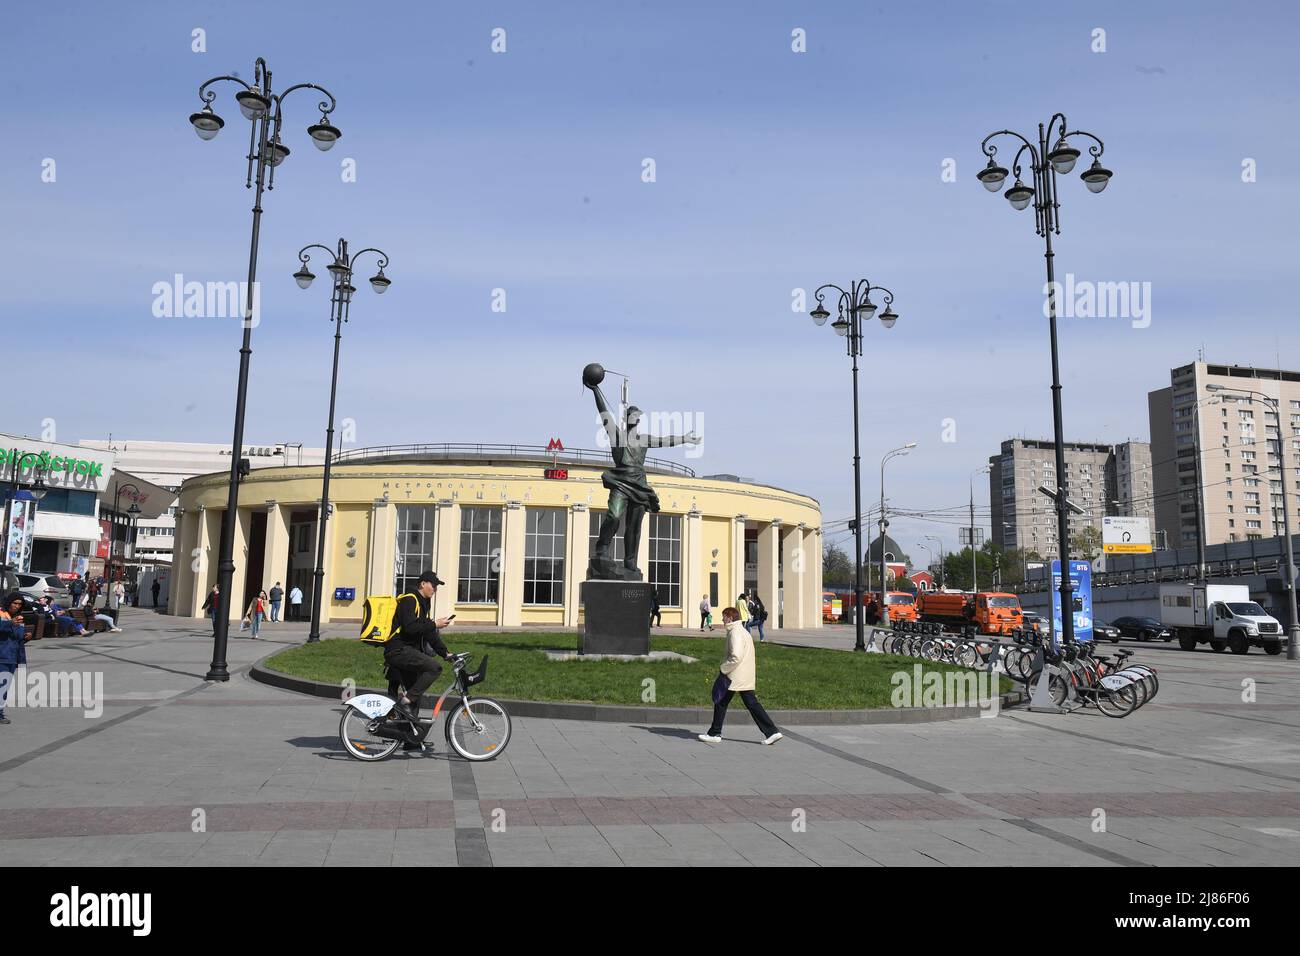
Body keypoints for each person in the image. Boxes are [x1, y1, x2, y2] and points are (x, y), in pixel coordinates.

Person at [383, 571, 455, 750]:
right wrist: (434, 624)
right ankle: (404, 702)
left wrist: (445, 653)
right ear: (423, 584)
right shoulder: (410, 599)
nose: (435, 589)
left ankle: (410, 739)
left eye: (436, 586)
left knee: (415, 694)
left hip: (407, 651)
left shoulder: (423, 603)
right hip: (398, 650)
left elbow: (428, 633)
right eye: (433, 585)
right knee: (434, 668)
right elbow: (410, 628)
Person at [697, 607, 782, 745]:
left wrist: (723, 669)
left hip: (734, 676)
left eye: (724, 617)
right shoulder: (742, 630)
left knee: (721, 701)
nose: (722, 619)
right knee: (751, 704)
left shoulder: (734, 632)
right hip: (744, 675)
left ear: (730, 618)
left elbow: (736, 656)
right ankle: (772, 732)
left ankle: (715, 733)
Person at [0, 591, 30, 724]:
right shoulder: (1, 614)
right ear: (9, 603)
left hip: (11, 658)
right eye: (15, 603)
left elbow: (16, 639)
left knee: (4, 687)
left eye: (19, 604)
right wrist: (10, 623)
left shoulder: (19, 618)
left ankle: (0, 713)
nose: (17, 606)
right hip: (2, 656)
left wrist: (25, 637)